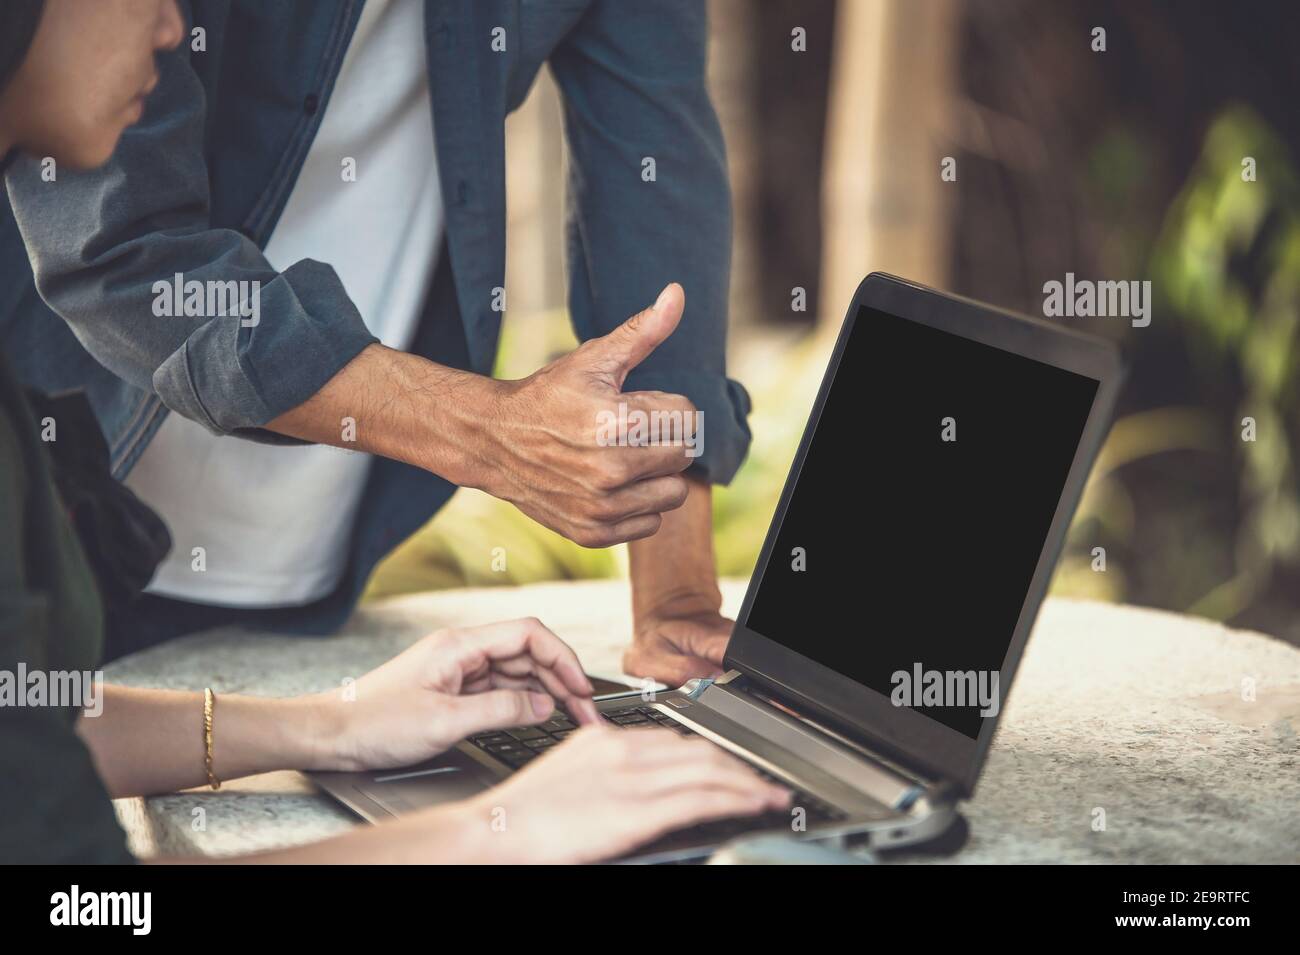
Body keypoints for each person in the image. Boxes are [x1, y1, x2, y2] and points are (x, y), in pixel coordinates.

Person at [0, 0, 788, 864]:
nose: (170, 27)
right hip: (100, 492)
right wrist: (496, 836)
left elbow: (30, 740)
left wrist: (335, 724)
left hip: (285, 561)